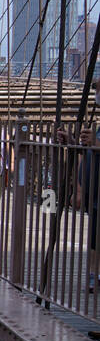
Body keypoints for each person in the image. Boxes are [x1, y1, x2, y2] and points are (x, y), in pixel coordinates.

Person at [72, 124, 100, 293]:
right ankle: (93, 273)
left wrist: (94, 142)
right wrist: (73, 141)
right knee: (95, 237)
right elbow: (86, 154)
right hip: (94, 192)